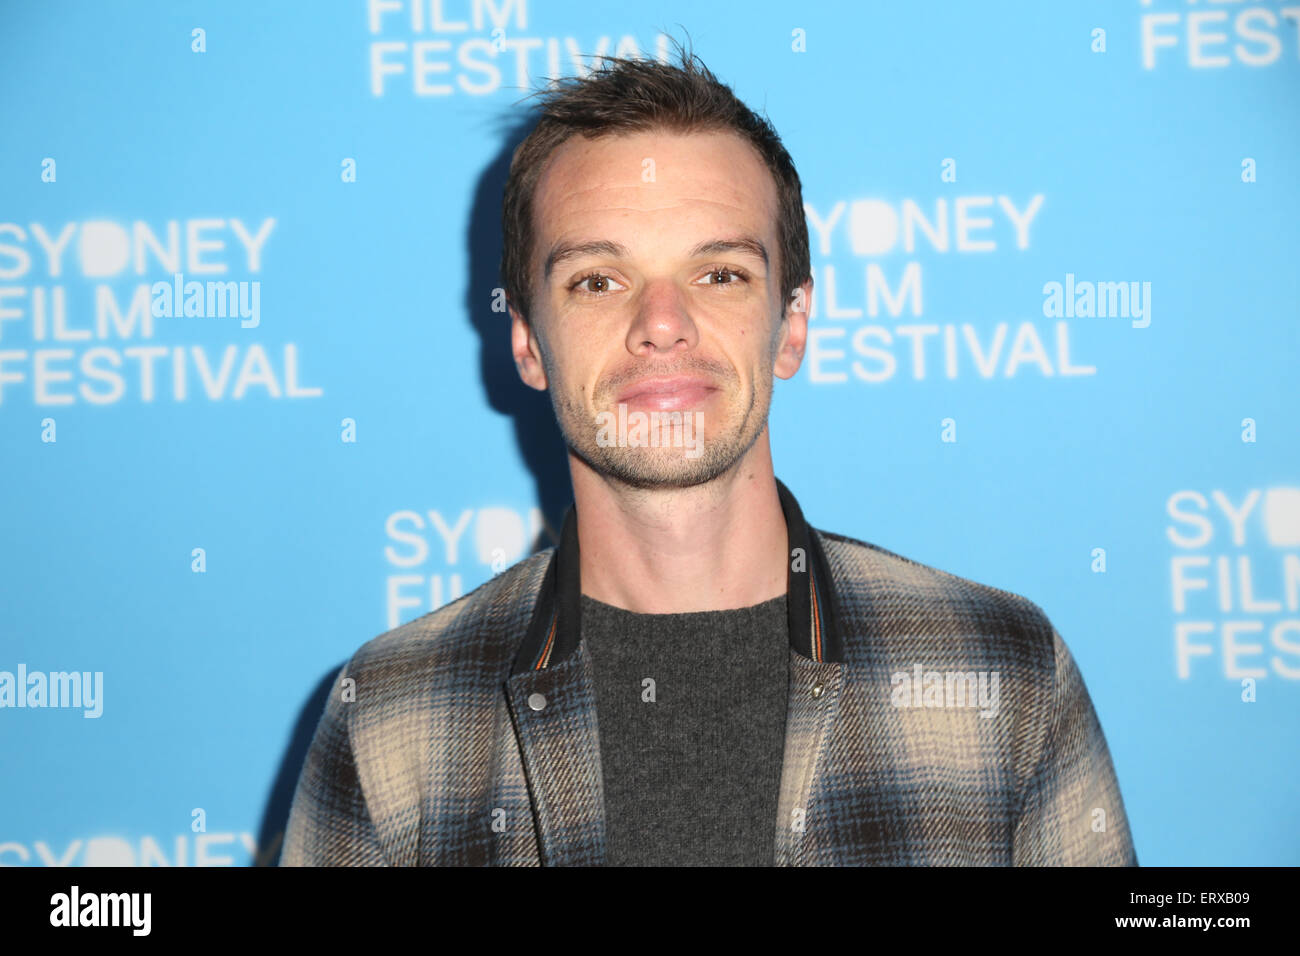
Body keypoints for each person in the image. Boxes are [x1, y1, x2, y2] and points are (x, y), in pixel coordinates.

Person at [281, 44, 1137, 867]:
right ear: (528, 343)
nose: (662, 322)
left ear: (791, 324)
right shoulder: (394, 715)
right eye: (597, 280)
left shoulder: (1002, 672)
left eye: (719, 273)